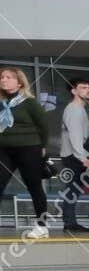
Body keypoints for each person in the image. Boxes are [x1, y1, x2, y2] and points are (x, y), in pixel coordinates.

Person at [0, 67, 54, 239]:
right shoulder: (1, 104)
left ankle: (41, 226)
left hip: (28, 148)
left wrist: (42, 147)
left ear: (19, 82)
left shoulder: (29, 102)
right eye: (2, 77)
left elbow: (44, 126)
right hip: (4, 150)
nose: (3, 80)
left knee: (34, 186)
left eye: (9, 77)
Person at [57, 77, 89, 234]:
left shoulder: (79, 109)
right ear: (74, 91)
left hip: (76, 155)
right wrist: (84, 158)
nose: (88, 90)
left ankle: (71, 222)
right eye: (83, 88)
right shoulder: (74, 109)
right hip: (75, 156)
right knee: (74, 189)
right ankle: (70, 222)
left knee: (75, 189)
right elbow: (75, 137)